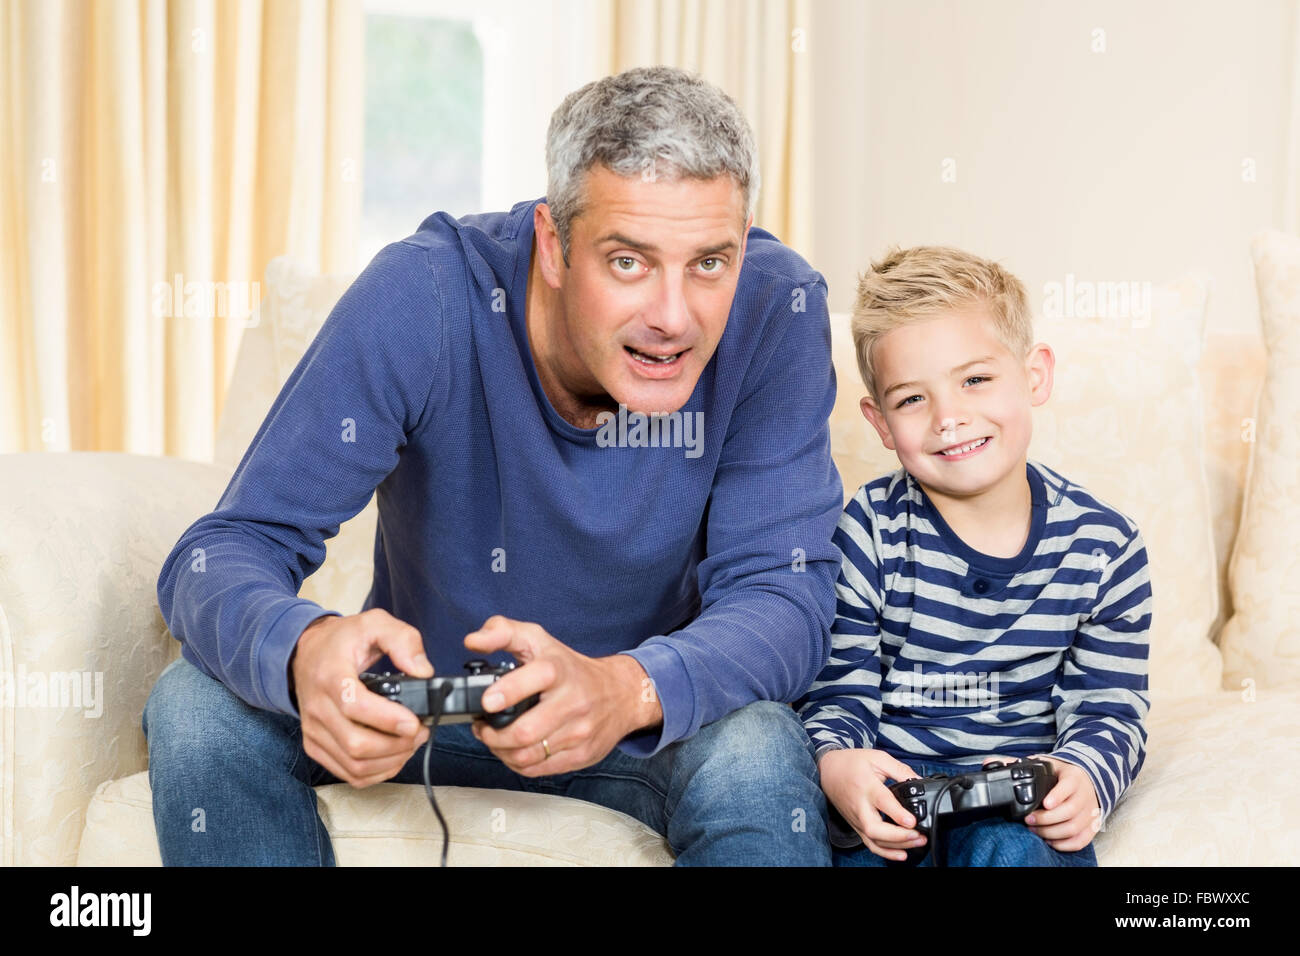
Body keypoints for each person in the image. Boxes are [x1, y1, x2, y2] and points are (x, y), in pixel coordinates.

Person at [143, 65, 844, 866]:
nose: (674, 318)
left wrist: (625, 689)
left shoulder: (776, 308)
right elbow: (222, 551)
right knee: (196, 705)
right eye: (628, 262)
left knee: (757, 744)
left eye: (711, 263)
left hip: (644, 731)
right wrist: (305, 652)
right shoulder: (425, 294)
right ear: (554, 244)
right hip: (427, 715)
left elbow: (784, 599)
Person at [796, 245, 1152, 867]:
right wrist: (837, 762)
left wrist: (1084, 778)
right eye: (912, 399)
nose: (949, 419)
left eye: (975, 380)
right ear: (880, 423)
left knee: (1012, 855)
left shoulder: (1105, 547)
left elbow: (1110, 707)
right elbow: (838, 690)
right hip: (895, 801)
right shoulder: (870, 530)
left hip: (1017, 805)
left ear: (1034, 374)